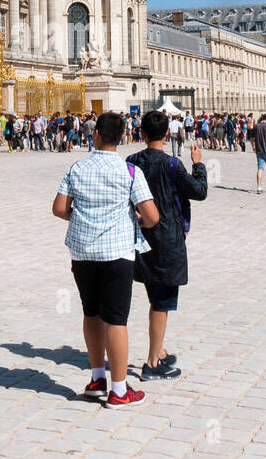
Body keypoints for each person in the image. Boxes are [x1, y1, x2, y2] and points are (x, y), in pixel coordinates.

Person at [53, 111, 159, 408]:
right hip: (116, 252)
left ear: (95, 134)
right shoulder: (129, 172)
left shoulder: (78, 167)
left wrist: (84, 218)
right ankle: (119, 389)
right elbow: (151, 216)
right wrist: (135, 219)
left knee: (91, 313)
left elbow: (60, 208)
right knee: (116, 319)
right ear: (123, 136)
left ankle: (97, 377)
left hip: (83, 252)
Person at [126, 110, 207, 381]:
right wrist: (198, 164)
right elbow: (199, 192)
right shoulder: (172, 165)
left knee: (155, 297)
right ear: (168, 133)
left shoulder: (131, 161)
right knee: (161, 302)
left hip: (140, 237)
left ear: (142, 133)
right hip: (167, 239)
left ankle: (158, 349)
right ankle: (152, 364)